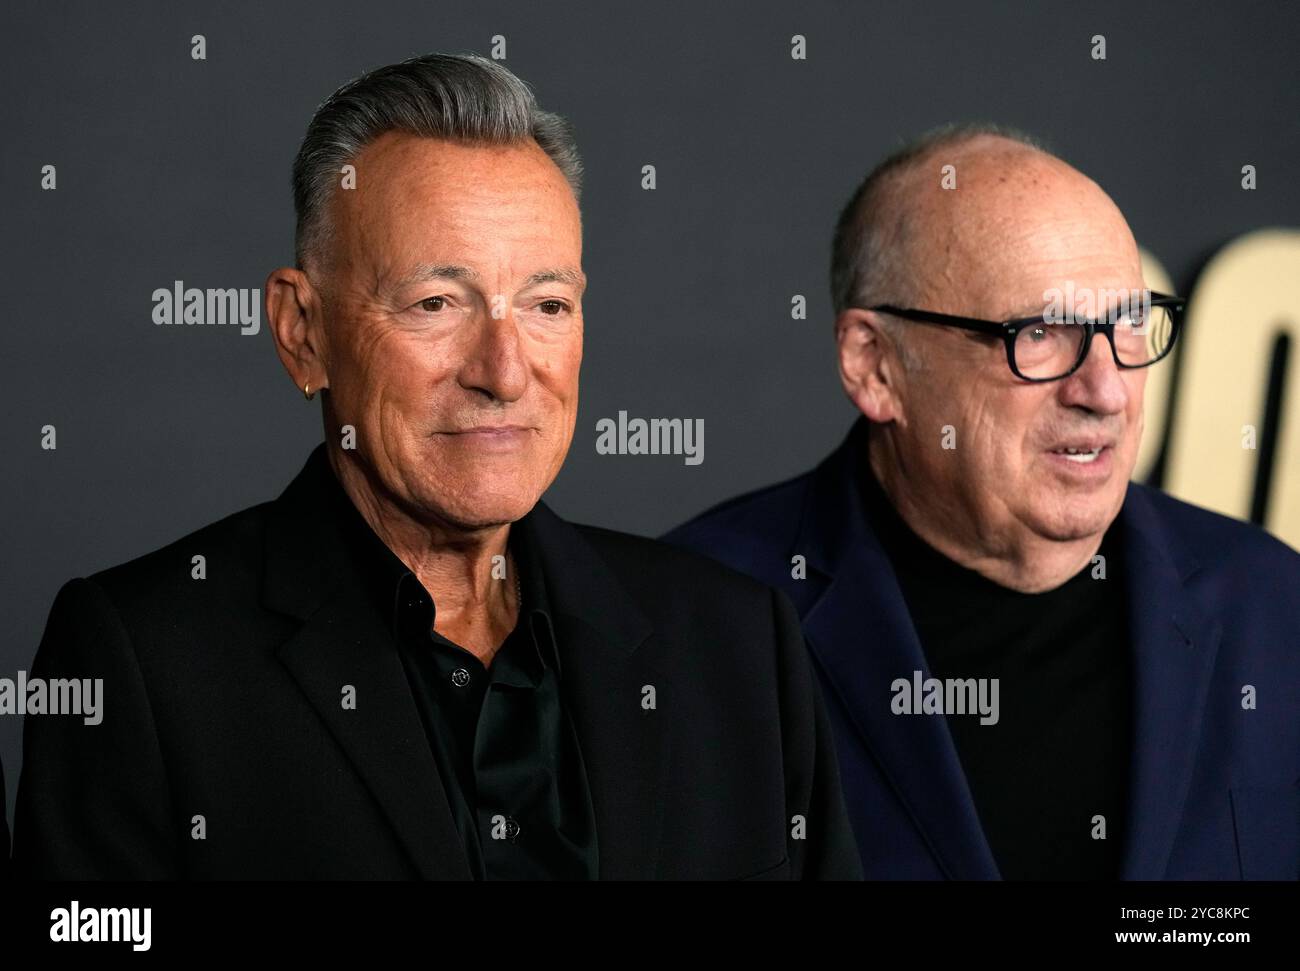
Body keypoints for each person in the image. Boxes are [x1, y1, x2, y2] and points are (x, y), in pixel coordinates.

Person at [13, 53, 860, 881]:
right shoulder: (143, 660)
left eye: (546, 304)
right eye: (435, 303)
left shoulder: (737, 644)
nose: (503, 369)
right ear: (301, 331)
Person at [667, 124, 1300, 880]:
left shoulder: (1271, 604)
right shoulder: (689, 626)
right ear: (875, 366)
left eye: (1129, 323)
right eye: (1038, 332)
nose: (1104, 390)